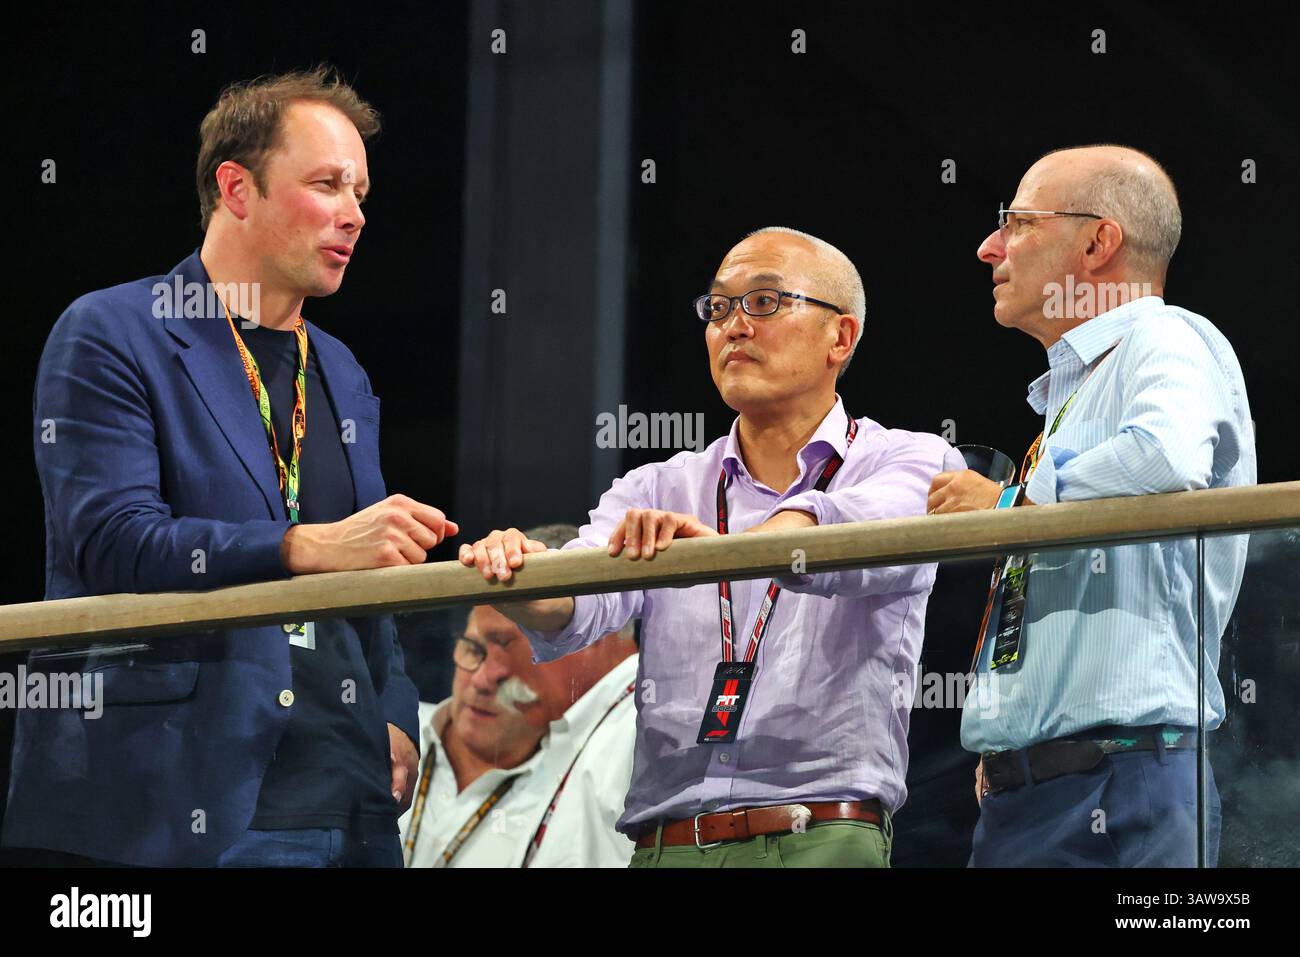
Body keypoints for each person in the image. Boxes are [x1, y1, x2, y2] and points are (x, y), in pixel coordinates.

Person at [4, 67, 457, 868]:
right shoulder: (112, 331)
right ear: (236, 188)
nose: (353, 214)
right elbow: (113, 542)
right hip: (182, 793)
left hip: (349, 800)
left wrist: (393, 712)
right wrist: (300, 545)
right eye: (326, 184)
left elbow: (372, 580)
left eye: (361, 193)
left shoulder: (343, 369)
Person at [461, 227, 963, 867]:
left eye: (764, 302)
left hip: (820, 837)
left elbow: (846, 534)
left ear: (841, 336)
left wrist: (727, 550)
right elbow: (579, 606)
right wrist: (517, 574)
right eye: (719, 308)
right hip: (665, 845)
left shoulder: (912, 459)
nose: (734, 327)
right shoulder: (657, 486)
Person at [927, 145, 1256, 867]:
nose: (989, 247)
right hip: (1028, 796)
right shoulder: (1073, 398)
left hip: (1125, 782)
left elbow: (1167, 456)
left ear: (1098, 241)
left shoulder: (1163, 336)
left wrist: (1012, 502)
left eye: (1015, 222)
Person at [400, 525, 639, 868]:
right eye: (472, 648)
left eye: (508, 649)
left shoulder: (633, 725)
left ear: (588, 627)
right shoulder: (397, 729)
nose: (483, 680)